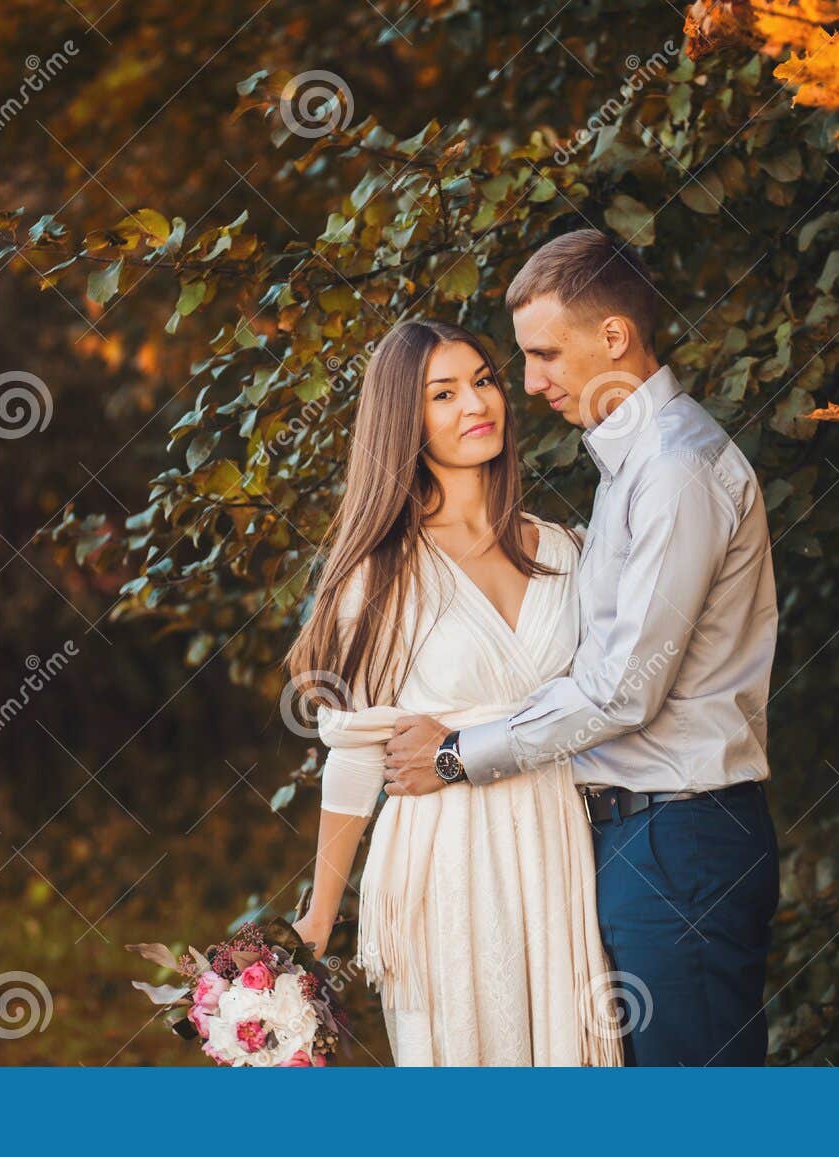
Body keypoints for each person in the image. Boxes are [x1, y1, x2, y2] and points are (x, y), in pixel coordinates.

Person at [381, 229, 781, 1066]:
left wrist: (457, 755)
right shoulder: (631, 469)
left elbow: (621, 689)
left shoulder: (675, 470)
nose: (529, 384)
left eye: (542, 356)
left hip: (681, 836)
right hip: (636, 840)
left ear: (613, 338)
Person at [286, 318, 623, 1066]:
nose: (477, 402)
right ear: (405, 420)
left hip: (560, 844)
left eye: (483, 380)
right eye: (444, 393)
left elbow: (612, 702)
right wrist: (318, 915)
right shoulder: (379, 575)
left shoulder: (565, 550)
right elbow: (354, 754)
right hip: (446, 858)